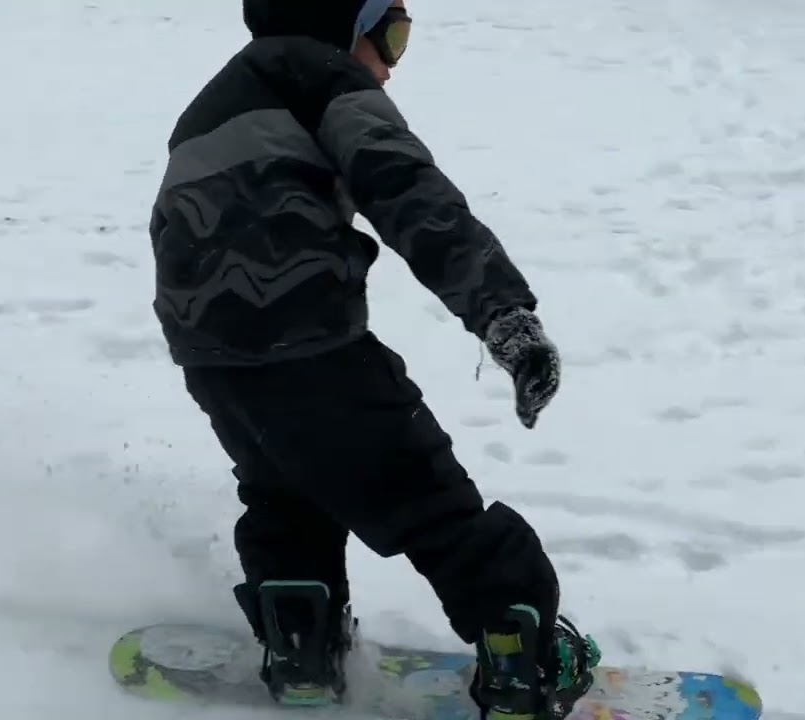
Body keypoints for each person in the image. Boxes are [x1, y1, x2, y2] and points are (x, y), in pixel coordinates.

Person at [147, 1, 600, 717]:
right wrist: (503, 314)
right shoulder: (324, 77)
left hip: (211, 356)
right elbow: (409, 190)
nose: (390, 64)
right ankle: (523, 663)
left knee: (284, 487)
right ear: (338, 21)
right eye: (390, 35)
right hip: (313, 343)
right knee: (424, 497)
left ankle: (302, 647)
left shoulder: (208, 105)